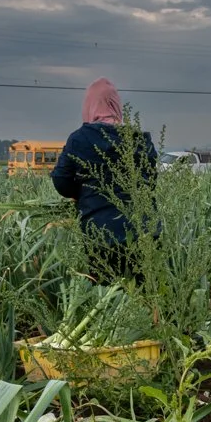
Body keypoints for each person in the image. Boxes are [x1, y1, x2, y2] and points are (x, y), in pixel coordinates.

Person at [51, 78, 158, 281]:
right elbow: (150, 183)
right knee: (145, 294)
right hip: (145, 230)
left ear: (89, 105)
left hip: (101, 233)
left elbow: (60, 181)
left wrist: (79, 194)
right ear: (115, 105)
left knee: (106, 297)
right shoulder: (140, 140)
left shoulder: (80, 139)